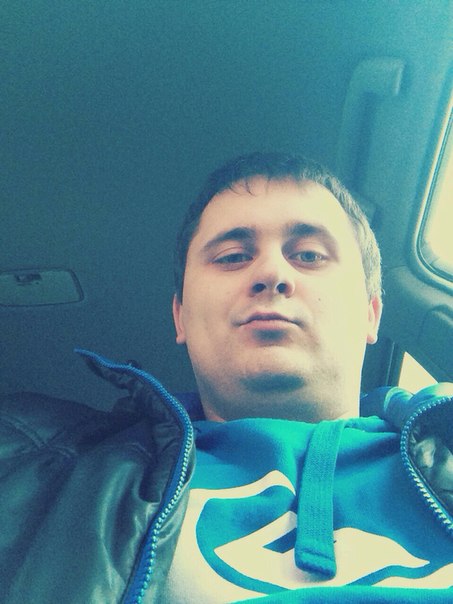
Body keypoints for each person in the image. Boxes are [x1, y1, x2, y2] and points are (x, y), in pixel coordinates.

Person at [0, 152, 452, 604]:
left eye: (309, 255)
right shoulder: (39, 479)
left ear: (371, 313)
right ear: (180, 315)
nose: (272, 273)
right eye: (233, 257)